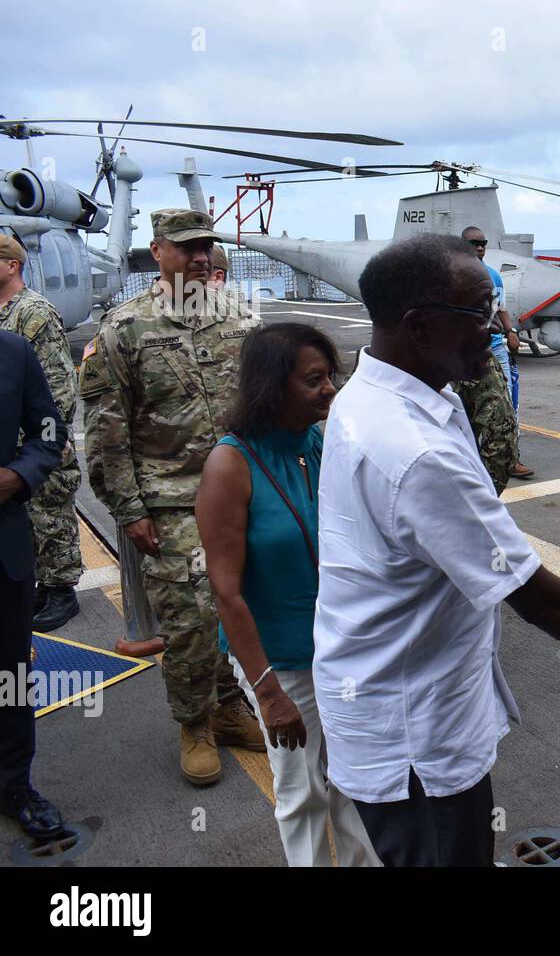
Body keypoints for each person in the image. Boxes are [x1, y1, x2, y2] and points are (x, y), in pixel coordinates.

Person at [313, 234, 560, 866]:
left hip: (397, 708)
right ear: (420, 326)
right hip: (417, 743)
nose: (498, 326)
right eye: (480, 312)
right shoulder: (416, 451)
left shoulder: (383, 396)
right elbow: (544, 602)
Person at [80, 209, 265, 786]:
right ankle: (195, 723)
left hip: (245, 491)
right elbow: (107, 430)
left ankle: (230, 704)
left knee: (244, 607)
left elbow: (266, 405)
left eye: (206, 246)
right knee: (189, 618)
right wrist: (129, 510)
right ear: (157, 252)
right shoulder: (124, 329)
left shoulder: (240, 319)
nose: (201, 256)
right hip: (170, 497)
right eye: (187, 247)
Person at [196, 323, 378, 866]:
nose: (330, 390)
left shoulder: (322, 444)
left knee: (356, 784)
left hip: (344, 651)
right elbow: (226, 592)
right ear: (272, 387)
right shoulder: (230, 464)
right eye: (314, 380)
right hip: (283, 663)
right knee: (301, 792)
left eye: (331, 377)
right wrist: (268, 691)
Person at [0, 328, 67, 839]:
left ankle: (14, 784)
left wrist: (19, 475)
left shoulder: (14, 350)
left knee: (11, 677)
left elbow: (48, 430)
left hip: (5, 550)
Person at [0, 236, 83, 631]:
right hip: (13, 446)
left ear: (12, 265)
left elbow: (59, 384)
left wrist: (50, 440)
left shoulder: (34, 312)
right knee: (30, 523)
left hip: (37, 440)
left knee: (52, 517)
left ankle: (62, 591)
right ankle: (42, 586)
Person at [462, 226, 533, 479]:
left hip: (495, 347)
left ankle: (511, 458)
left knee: (507, 403)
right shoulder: (453, 276)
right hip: (465, 351)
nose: (479, 247)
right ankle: (469, 460)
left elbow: (500, 307)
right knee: (465, 408)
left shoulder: (493, 276)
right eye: (474, 243)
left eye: (483, 242)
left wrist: (510, 330)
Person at [451, 352, 517, 495]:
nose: (494, 328)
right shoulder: (467, 353)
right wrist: (482, 499)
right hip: (452, 487)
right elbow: (502, 438)